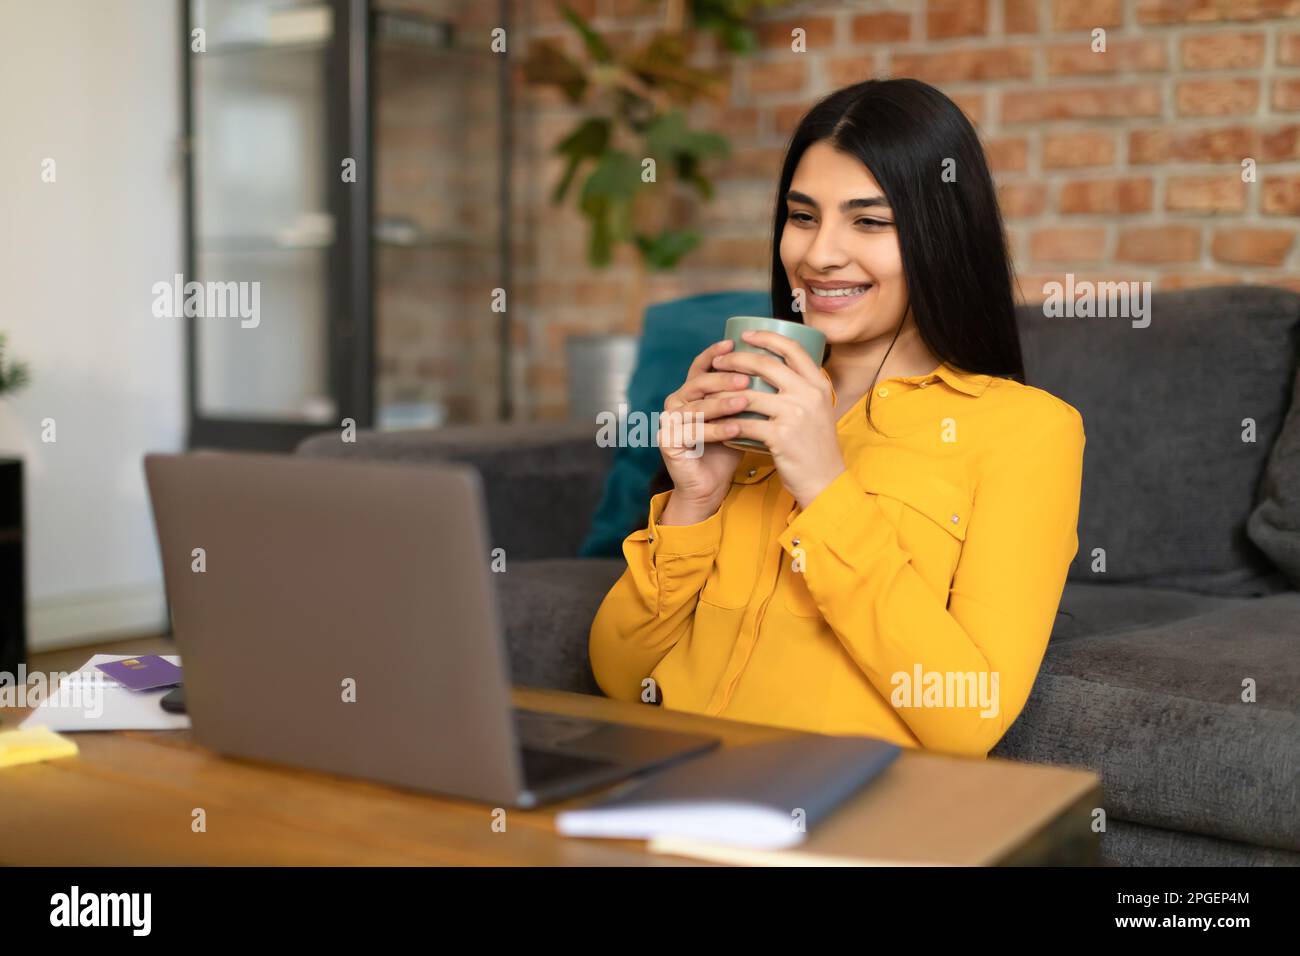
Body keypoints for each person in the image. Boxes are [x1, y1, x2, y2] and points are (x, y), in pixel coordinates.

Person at [588, 78, 1085, 759]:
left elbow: (969, 716)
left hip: (825, 808)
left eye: (869, 221)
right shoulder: (749, 405)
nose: (819, 254)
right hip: (666, 780)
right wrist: (693, 503)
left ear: (941, 235)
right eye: (802, 216)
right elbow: (620, 678)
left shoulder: (1028, 433)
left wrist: (826, 487)